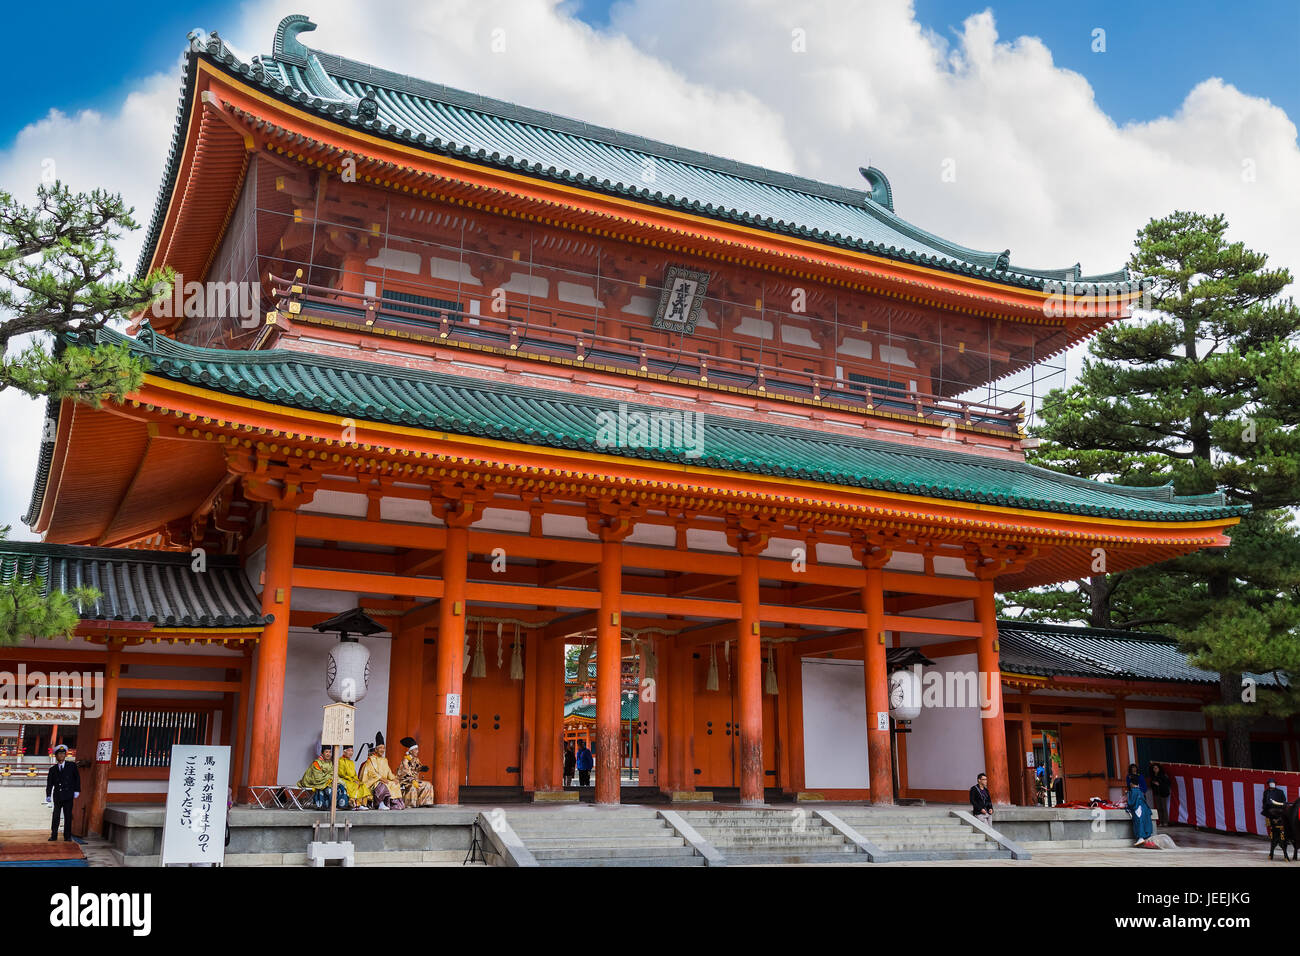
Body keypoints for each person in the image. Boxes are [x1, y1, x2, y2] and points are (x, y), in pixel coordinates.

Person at [359, 733, 405, 809]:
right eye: (380, 748)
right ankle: (381, 803)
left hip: (384, 780)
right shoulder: (371, 759)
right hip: (374, 781)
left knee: (394, 784)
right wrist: (380, 778)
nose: (382, 750)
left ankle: (393, 804)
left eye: (384, 748)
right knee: (381, 785)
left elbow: (389, 772)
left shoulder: (385, 760)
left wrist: (393, 778)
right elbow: (371, 773)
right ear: (376, 749)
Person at [45, 744, 80, 842]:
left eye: (63, 753)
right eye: (59, 754)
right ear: (56, 756)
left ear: (65, 755)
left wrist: (77, 790)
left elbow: (77, 779)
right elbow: (49, 783)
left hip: (68, 795)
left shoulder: (71, 766)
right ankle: (54, 835)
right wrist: (48, 794)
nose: (61, 755)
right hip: (57, 795)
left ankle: (67, 836)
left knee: (68, 815)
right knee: (56, 816)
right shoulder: (52, 769)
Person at [297, 745, 348, 810]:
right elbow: (318, 777)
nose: (328, 754)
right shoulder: (317, 763)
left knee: (341, 786)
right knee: (329, 789)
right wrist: (330, 779)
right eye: (326, 752)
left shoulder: (330, 762)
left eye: (330, 752)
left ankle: (340, 805)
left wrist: (333, 780)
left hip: (326, 780)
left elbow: (333, 774)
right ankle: (328, 805)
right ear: (322, 753)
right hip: (313, 781)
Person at [397, 737, 435, 807]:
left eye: (417, 749)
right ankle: (411, 804)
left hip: (415, 780)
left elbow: (417, 767)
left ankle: (424, 803)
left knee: (428, 784)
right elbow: (405, 773)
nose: (417, 751)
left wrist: (422, 768)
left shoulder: (416, 759)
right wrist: (412, 780)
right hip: (406, 781)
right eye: (416, 749)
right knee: (413, 787)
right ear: (411, 751)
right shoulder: (405, 760)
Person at [1261, 777, 1290, 860]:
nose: (1271, 784)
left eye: (1273, 782)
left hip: (1279, 811)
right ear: (1268, 784)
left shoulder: (1280, 792)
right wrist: (1265, 807)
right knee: (1273, 829)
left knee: (1282, 827)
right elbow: (1264, 801)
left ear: (1275, 783)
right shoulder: (1266, 792)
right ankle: (1273, 839)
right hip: (1270, 812)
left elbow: (1284, 801)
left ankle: (1285, 839)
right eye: (1270, 783)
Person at [337, 745, 371, 810]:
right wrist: (352, 780)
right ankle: (353, 805)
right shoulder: (340, 760)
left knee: (362, 785)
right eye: (349, 751)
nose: (351, 753)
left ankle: (362, 804)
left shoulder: (352, 762)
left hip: (352, 780)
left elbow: (354, 774)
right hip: (344, 779)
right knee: (353, 786)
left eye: (352, 751)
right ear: (344, 752)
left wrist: (356, 780)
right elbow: (341, 774)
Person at [1147, 763, 1172, 827]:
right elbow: (1151, 785)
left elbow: (1168, 783)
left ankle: (1166, 821)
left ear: (1159, 769)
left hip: (1163, 793)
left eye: (1156, 768)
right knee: (1158, 808)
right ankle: (1161, 822)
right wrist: (1153, 784)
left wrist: (1159, 784)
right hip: (1156, 793)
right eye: (1154, 768)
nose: (1155, 769)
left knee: (1164, 808)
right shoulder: (1153, 776)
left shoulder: (1163, 775)